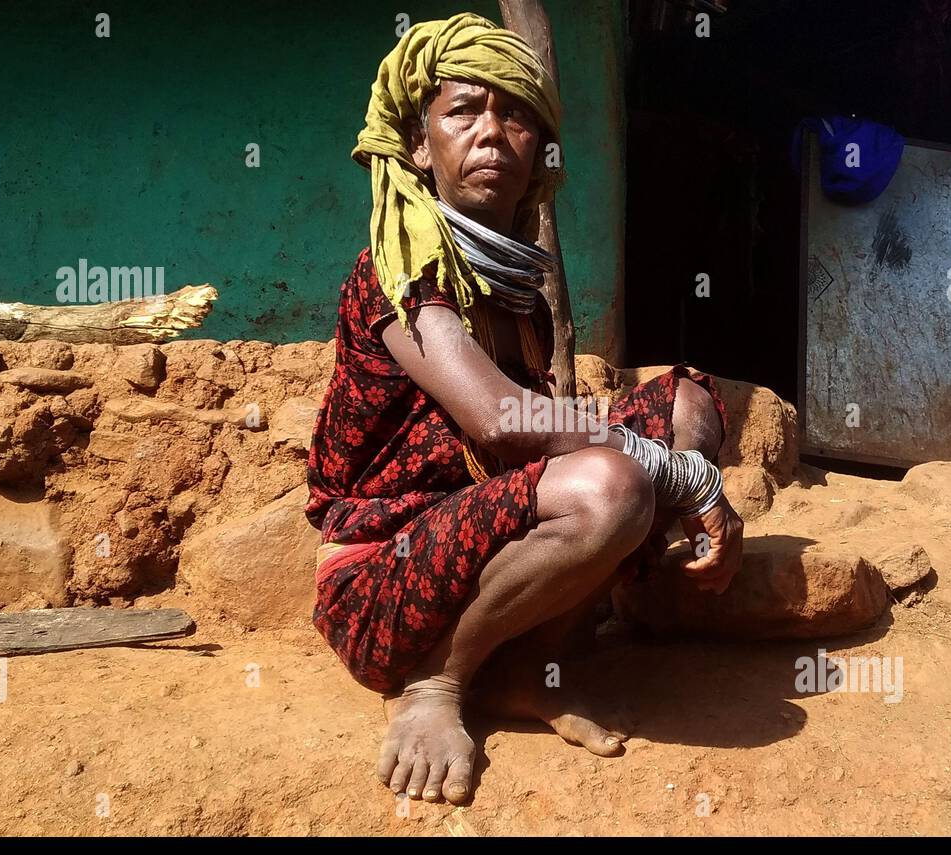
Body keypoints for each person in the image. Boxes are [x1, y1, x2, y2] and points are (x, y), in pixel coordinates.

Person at [307, 12, 743, 805]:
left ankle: (523, 666)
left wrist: (675, 456)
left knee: (685, 402)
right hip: (384, 579)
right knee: (613, 487)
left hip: (475, 535)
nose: (491, 133)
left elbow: (531, 449)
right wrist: (675, 475)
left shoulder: (520, 295)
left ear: (540, 149)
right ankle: (437, 683)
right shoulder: (398, 274)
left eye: (515, 115)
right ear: (419, 145)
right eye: (463, 111)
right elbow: (501, 421)